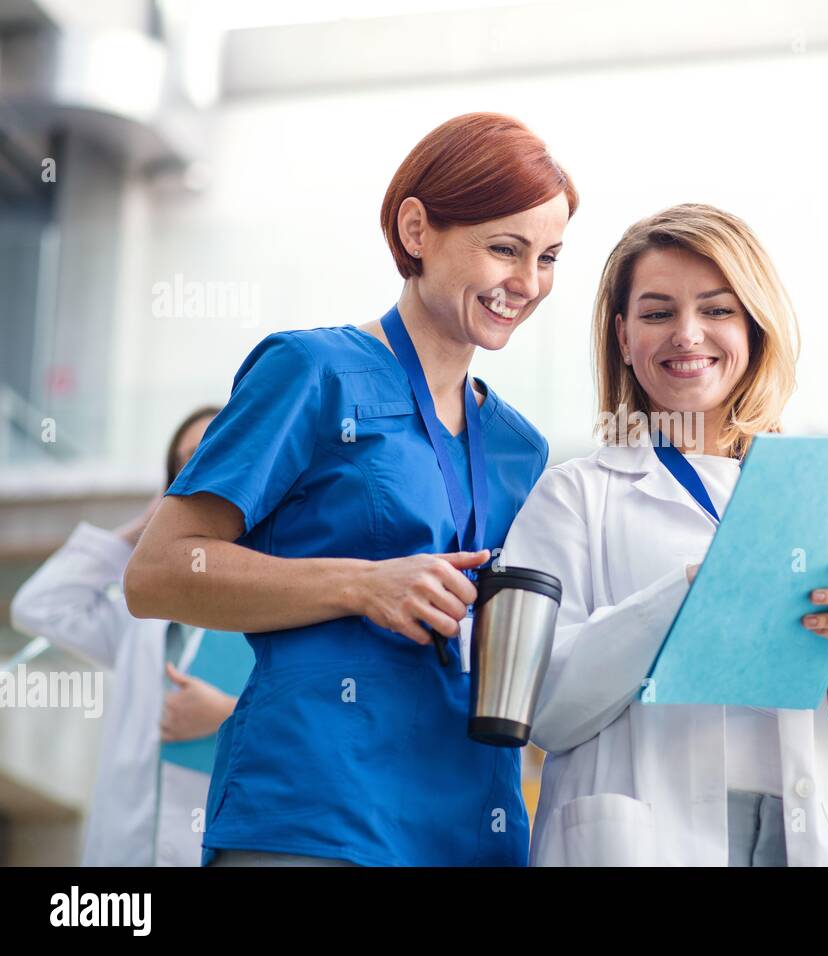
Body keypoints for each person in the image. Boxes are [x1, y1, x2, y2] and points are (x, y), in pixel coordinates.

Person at [124, 113, 578, 866]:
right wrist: (364, 585)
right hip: (316, 807)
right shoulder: (310, 372)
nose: (527, 284)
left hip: (472, 819)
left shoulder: (521, 447)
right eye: (505, 248)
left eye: (549, 257)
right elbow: (160, 571)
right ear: (417, 228)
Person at [499, 203, 828, 866]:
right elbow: (545, 711)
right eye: (657, 312)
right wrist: (679, 596)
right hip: (643, 839)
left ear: (755, 325)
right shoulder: (574, 497)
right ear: (622, 337)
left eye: (717, 309)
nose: (687, 334)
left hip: (802, 839)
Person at [11, 406, 253, 866]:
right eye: (185, 459)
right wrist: (147, 527)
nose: (200, 465)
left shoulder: (283, 585)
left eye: (215, 448)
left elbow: (323, 716)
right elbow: (39, 606)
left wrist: (225, 714)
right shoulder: (141, 606)